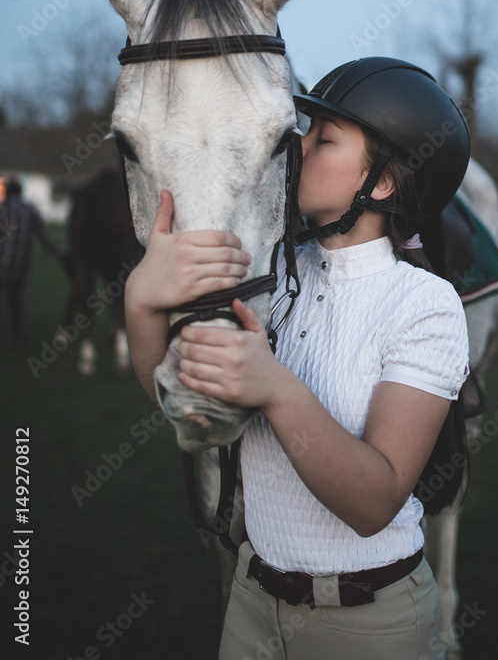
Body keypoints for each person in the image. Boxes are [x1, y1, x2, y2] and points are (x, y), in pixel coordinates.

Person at [124, 57, 472, 660]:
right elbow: (177, 401)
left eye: (323, 138)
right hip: (251, 603)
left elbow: (374, 502)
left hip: (371, 626)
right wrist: (142, 301)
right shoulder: (273, 274)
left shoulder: (425, 305)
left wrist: (277, 389)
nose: (299, 146)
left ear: (383, 183)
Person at [0, 179, 64, 345]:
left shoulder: (2, 207)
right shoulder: (29, 210)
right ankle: (16, 335)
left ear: (7, 192)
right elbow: (44, 238)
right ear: (21, 192)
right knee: (14, 299)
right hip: (19, 266)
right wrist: (58, 255)